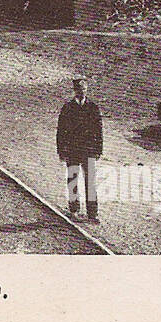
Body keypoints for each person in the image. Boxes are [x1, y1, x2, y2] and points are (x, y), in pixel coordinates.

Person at [56, 75, 103, 222]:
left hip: (88, 150)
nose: (81, 92)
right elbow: (61, 131)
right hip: (72, 150)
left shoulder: (93, 108)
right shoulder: (68, 108)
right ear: (74, 91)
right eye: (78, 89)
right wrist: (61, 151)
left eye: (83, 89)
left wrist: (98, 150)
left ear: (87, 90)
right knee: (73, 180)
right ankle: (74, 210)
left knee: (90, 182)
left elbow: (98, 130)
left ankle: (92, 213)